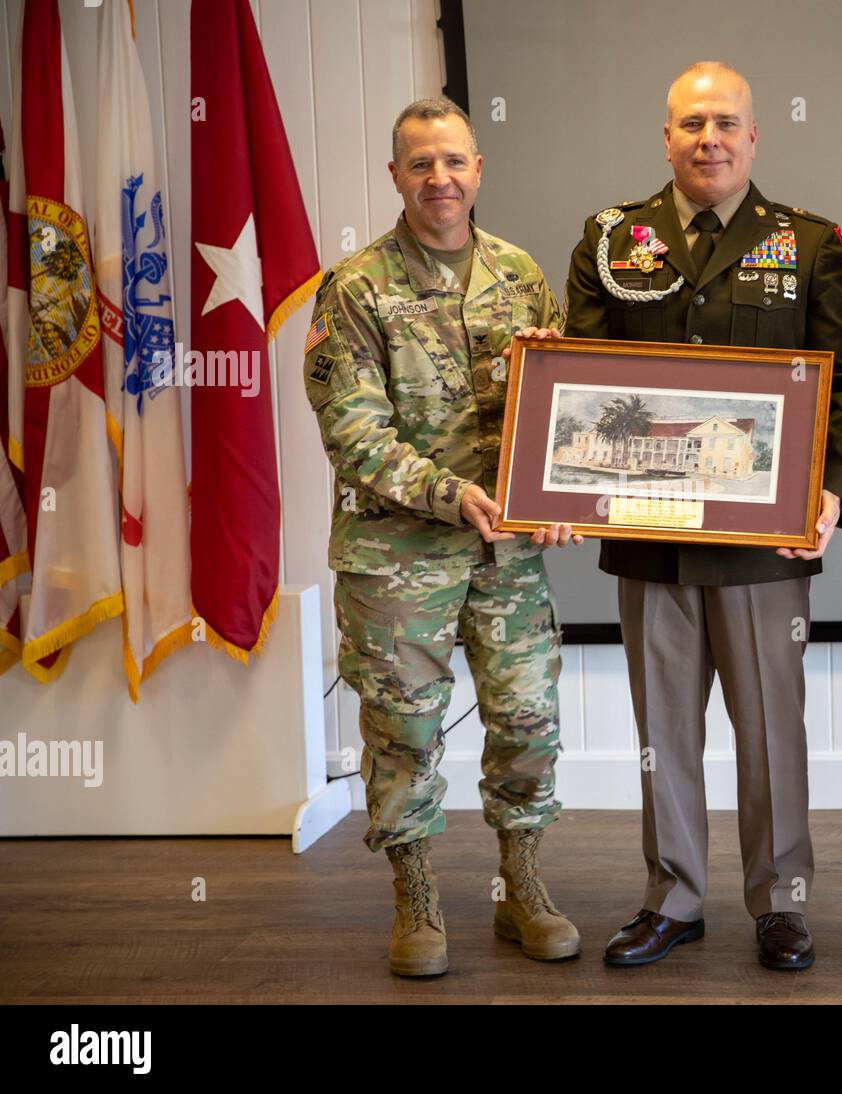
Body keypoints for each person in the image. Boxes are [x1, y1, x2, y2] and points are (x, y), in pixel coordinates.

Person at [559, 62, 842, 969]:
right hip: (651, 534)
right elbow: (579, 376)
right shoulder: (613, 239)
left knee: (771, 732)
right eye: (692, 123)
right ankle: (676, 899)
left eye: (727, 123)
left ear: (753, 137)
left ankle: (780, 901)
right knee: (666, 734)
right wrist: (563, 478)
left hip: (763, 547)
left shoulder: (810, 244)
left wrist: (837, 493)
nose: (710, 138)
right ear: (666, 137)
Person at [303, 96, 582, 977]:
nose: (440, 178)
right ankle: (416, 897)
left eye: (454, 161)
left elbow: (561, 412)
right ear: (395, 176)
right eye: (421, 164)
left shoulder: (523, 276)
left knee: (528, 723)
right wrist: (448, 492)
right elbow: (353, 431)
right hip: (397, 558)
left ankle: (522, 889)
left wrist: (565, 482)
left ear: (478, 169)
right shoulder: (355, 287)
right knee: (403, 733)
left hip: (507, 555)